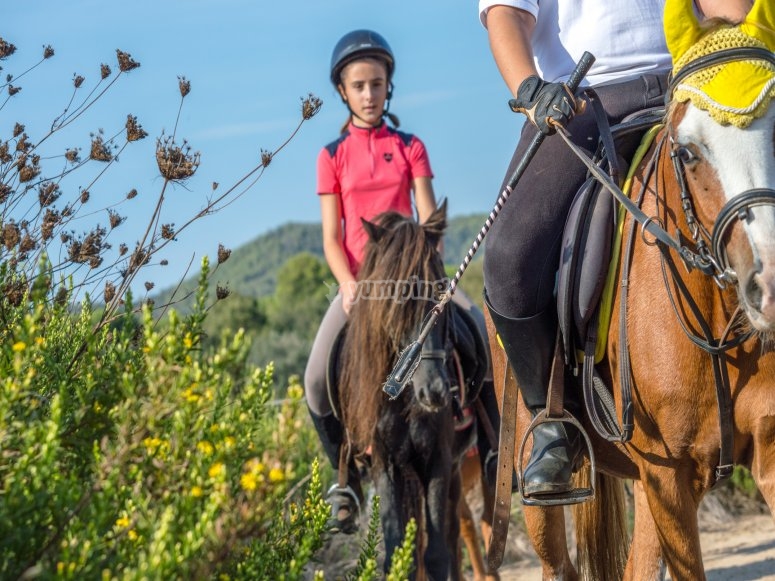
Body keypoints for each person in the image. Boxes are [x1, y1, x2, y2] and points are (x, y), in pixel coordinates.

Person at [478, 0, 754, 502]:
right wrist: (529, 88)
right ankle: (551, 420)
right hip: (578, 102)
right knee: (508, 258)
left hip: (691, 81)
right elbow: (507, 15)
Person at [305, 29, 501, 533]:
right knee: (313, 381)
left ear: (388, 87)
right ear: (343, 92)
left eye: (376, 84)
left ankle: (498, 449)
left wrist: (427, 270)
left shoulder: (410, 146)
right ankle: (345, 477)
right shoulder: (331, 156)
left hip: (415, 280)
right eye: (359, 86)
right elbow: (332, 237)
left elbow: (429, 217)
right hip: (363, 287)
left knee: (475, 324)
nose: (369, 94)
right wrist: (348, 284)